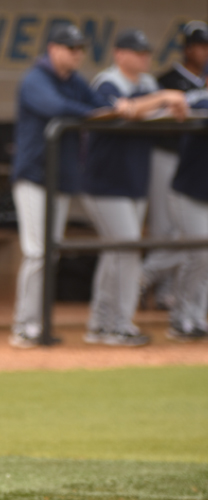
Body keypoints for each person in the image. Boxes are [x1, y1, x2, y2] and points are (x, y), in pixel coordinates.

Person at [7, 25, 185, 348]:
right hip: (34, 177)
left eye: (80, 49)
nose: (76, 54)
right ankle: (25, 326)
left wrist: (115, 108)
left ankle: (47, 324)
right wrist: (100, 111)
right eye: (70, 48)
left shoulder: (74, 81)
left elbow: (107, 104)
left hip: (60, 177)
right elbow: (57, 107)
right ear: (53, 48)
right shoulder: (36, 78)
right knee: (38, 253)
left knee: (50, 253)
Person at [81, 29, 189, 347]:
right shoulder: (107, 81)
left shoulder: (146, 85)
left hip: (134, 179)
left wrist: (168, 105)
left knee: (115, 253)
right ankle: (119, 324)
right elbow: (122, 109)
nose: (144, 57)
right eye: (137, 51)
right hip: (104, 182)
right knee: (126, 250)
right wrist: (164, 98)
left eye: (146, 52)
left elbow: (154, 110)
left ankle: (100, 324)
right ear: (119, 53)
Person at [141, 20, 208, 311]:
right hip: (167, 157)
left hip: (194, 167)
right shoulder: (170, 82)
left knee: (191, 242)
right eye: (201, 46)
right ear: (188, 48)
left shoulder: (198, 87)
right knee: (167, 232)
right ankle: (152, 286)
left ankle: (176, 298)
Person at [165, 77, 208, 342]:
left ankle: (196, 316)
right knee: (199, 254)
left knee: (204, 258)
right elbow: (185, 108)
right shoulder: (196, 98)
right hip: (187, 194)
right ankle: (180, 317)